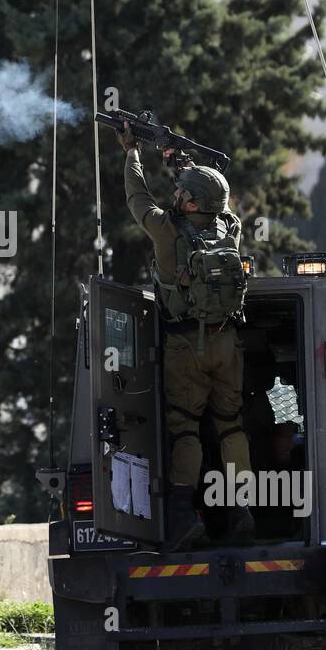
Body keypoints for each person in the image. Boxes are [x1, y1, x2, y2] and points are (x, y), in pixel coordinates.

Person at [119, 122, 254, 550]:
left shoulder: (166, 231)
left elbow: (137, 200)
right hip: (227, 343)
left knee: (185, 428)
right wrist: (182, 165)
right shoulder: (230, 229)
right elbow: (215, 201)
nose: (176, 197)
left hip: (184, 345)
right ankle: (242, 513)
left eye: (182, 193)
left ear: (189, 200)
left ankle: (182, 514)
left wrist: (132, 153)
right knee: (231, 427)